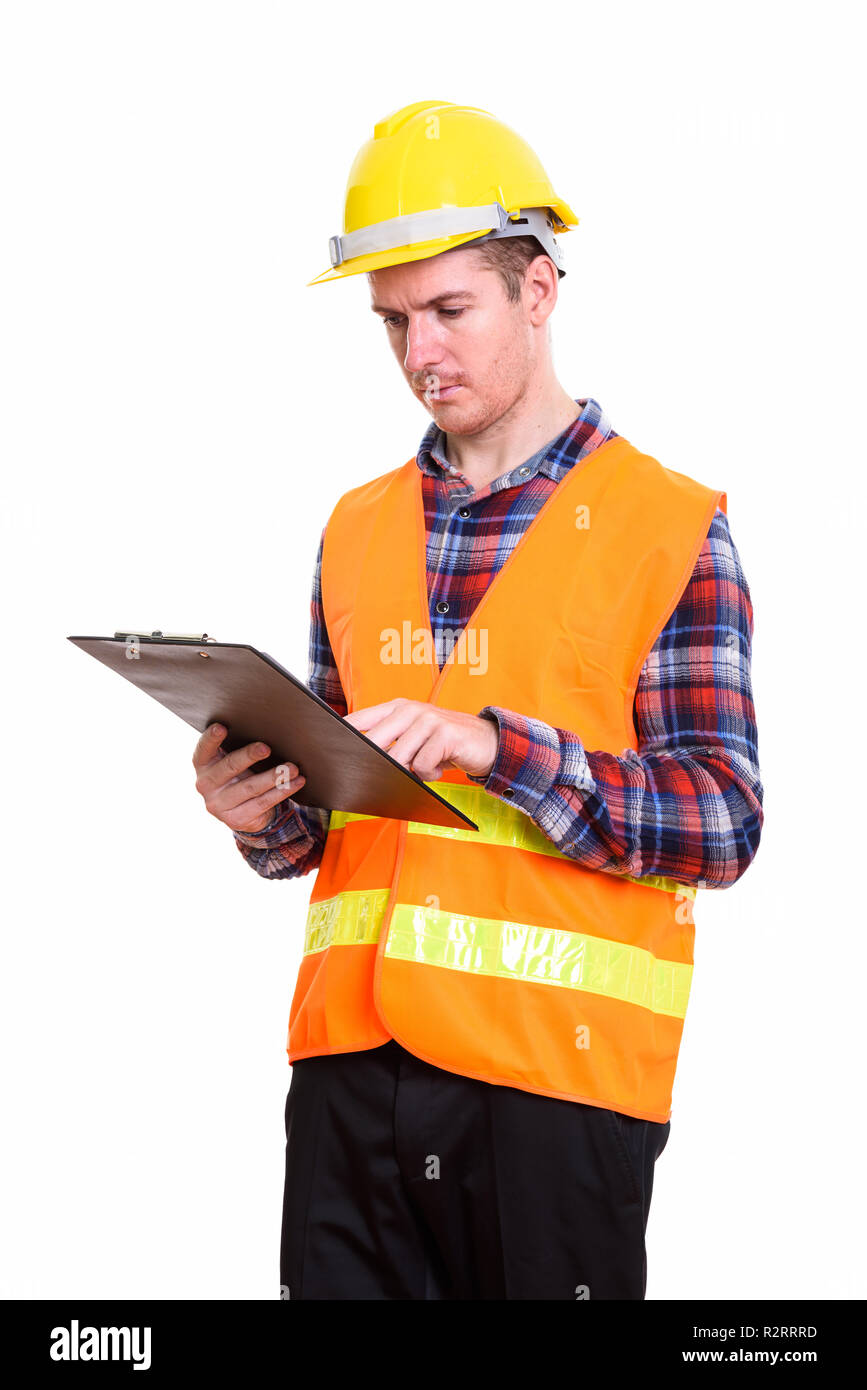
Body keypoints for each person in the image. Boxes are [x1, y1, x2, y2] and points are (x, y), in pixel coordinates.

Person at [191, 101, 764, 1300]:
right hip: (350, 1079)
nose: (420, 354)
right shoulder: (355, 527)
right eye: (393, 321)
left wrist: (501, 747)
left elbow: (721, 820)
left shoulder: (671, 529)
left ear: (540, 289)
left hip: (555, 1091)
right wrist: (261, 808)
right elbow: (336, 819)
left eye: (451, 311)